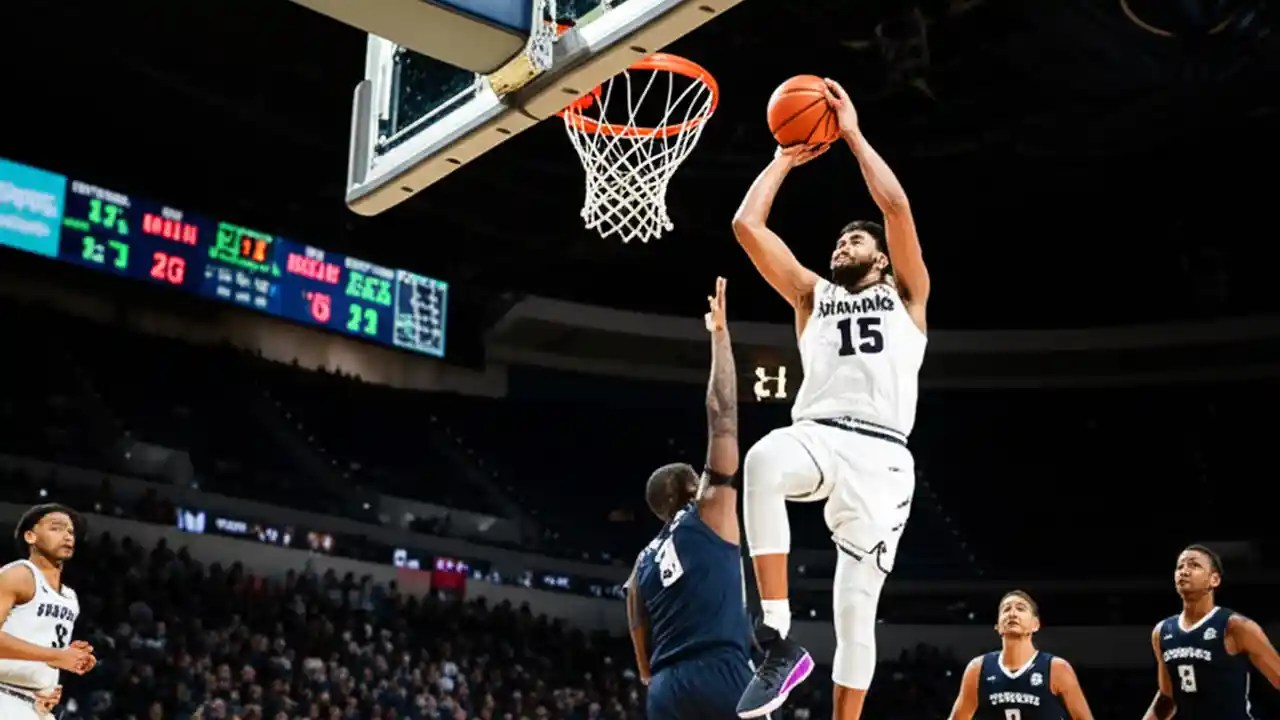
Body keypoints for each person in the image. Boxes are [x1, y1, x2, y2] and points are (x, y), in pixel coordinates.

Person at [731, 77, 930, 720]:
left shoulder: (907, 296)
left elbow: (896, 208)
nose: (843, 244)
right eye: (839, 240)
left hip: (883, 456)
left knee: (855, 610)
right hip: (818, 433)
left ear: (881, 259)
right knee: (763, 460)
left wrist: (852, 134)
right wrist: (783, 159)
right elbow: (746, 225)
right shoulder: (812, 296)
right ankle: (776, 637)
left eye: (856, 240)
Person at [628, 277, 755, 719]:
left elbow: (634, 610)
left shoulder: (643, 560)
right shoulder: (709, 509)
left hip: (665, 689)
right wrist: (720, 335)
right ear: (691, 487)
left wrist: (647, 672)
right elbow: (723, 417)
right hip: (720, 672)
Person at [1143, 544, 1280, 719]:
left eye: (1194, 565)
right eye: (1180, 566)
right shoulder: (1162, 631)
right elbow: (1167, 698)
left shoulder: (1235, 626)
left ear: (1214, 580)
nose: (1184, 571)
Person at [0, 504, 97, 720]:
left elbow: (37, 647)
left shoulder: (69, 597)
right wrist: (57, 655)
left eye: (70, 531)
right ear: (30, 536)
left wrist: (68, 658)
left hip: (34, 705)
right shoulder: (19, 575)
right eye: (56, 528)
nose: (67, 536)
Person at [948, 590, 1094, 719]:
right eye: (1006, 609)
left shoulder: (1057, 668)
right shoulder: (978, 669)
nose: (1012, 613)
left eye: (1020, 608)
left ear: (1036, 624)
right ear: (998, 626)